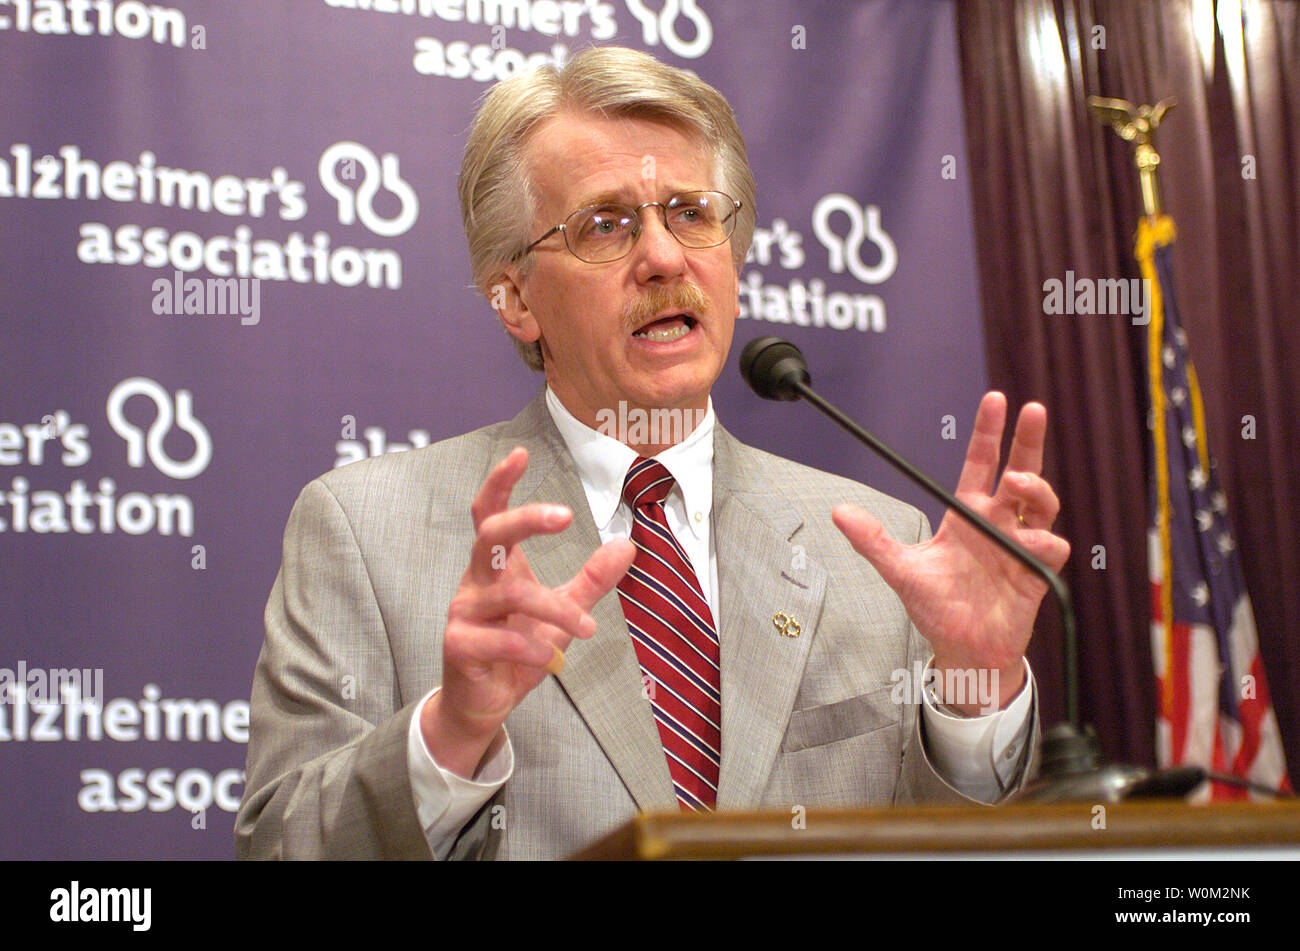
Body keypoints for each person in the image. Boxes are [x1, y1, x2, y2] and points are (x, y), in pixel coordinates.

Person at [236, 46, 1070, 860]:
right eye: (606, 225)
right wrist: (450, 733)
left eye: (691, 213)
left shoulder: (878, 544)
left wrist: (974, 686)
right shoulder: (363, 529)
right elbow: (278, 847)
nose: (666, 257)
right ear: (516, 297)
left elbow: (941, 846)